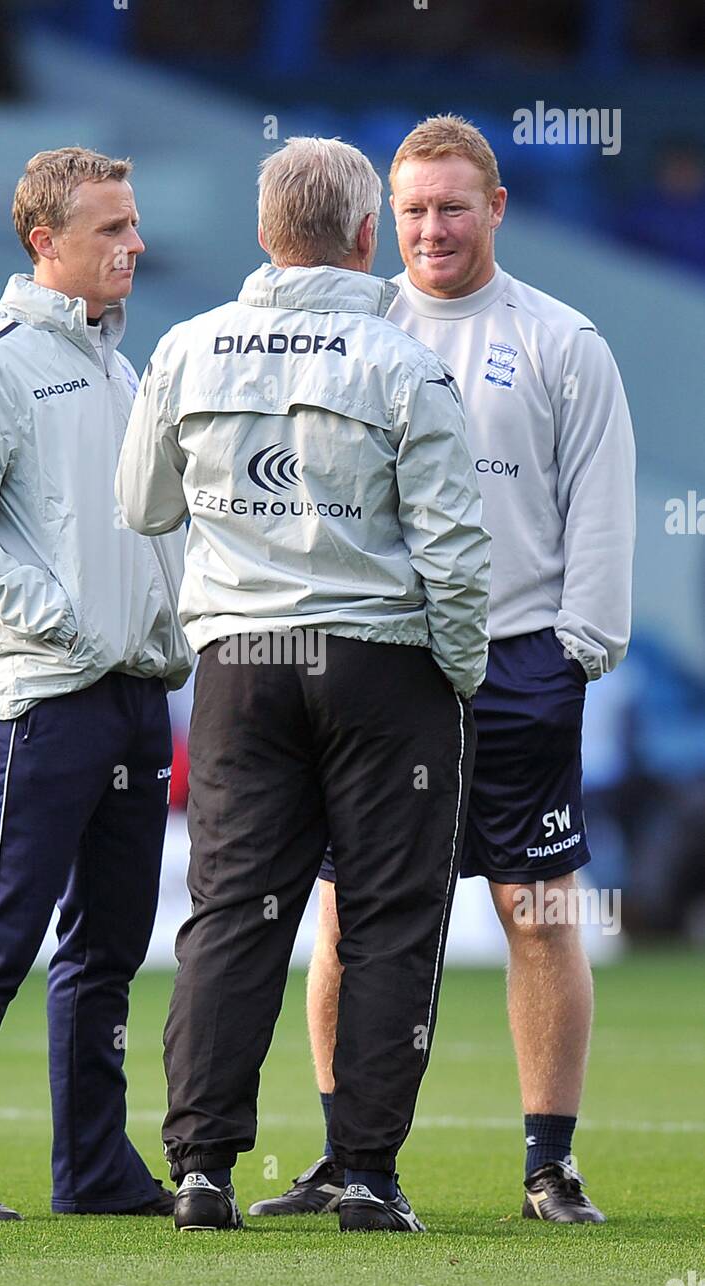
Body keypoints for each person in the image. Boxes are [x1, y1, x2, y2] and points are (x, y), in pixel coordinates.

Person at [252, 115, 635, 1225]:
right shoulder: (354, 332)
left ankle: (546, 1165)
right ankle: (343, 1156)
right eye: (412, 209)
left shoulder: (564, 341)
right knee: (348, 911)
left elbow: (600, 507)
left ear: (497, 207)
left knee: (539, 909)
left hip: (516, 665)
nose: (432, 227)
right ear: (383, 221)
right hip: (380, 659)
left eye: (453, 204)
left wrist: (577, 645)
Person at [117, 136, 490, 1234]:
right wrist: (456, 673)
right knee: (386, 917)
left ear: (264, 231)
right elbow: (453, 547)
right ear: (368, 236)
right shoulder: (401, 361)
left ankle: (200, 1172)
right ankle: (366, 1172)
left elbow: (142, 505)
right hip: (381, 663)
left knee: (231, 913)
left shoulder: (187, 347)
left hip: (243, 660)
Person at [0, 146, 193, 1220]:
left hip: (133, 693)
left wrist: (159, 633)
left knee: (109, 946)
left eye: (132, 223)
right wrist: (65, 620)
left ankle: (95, 1169)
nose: (135, 243)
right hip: (39, 695)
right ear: (45, 241)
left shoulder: (125, 365)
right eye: (111, 227)